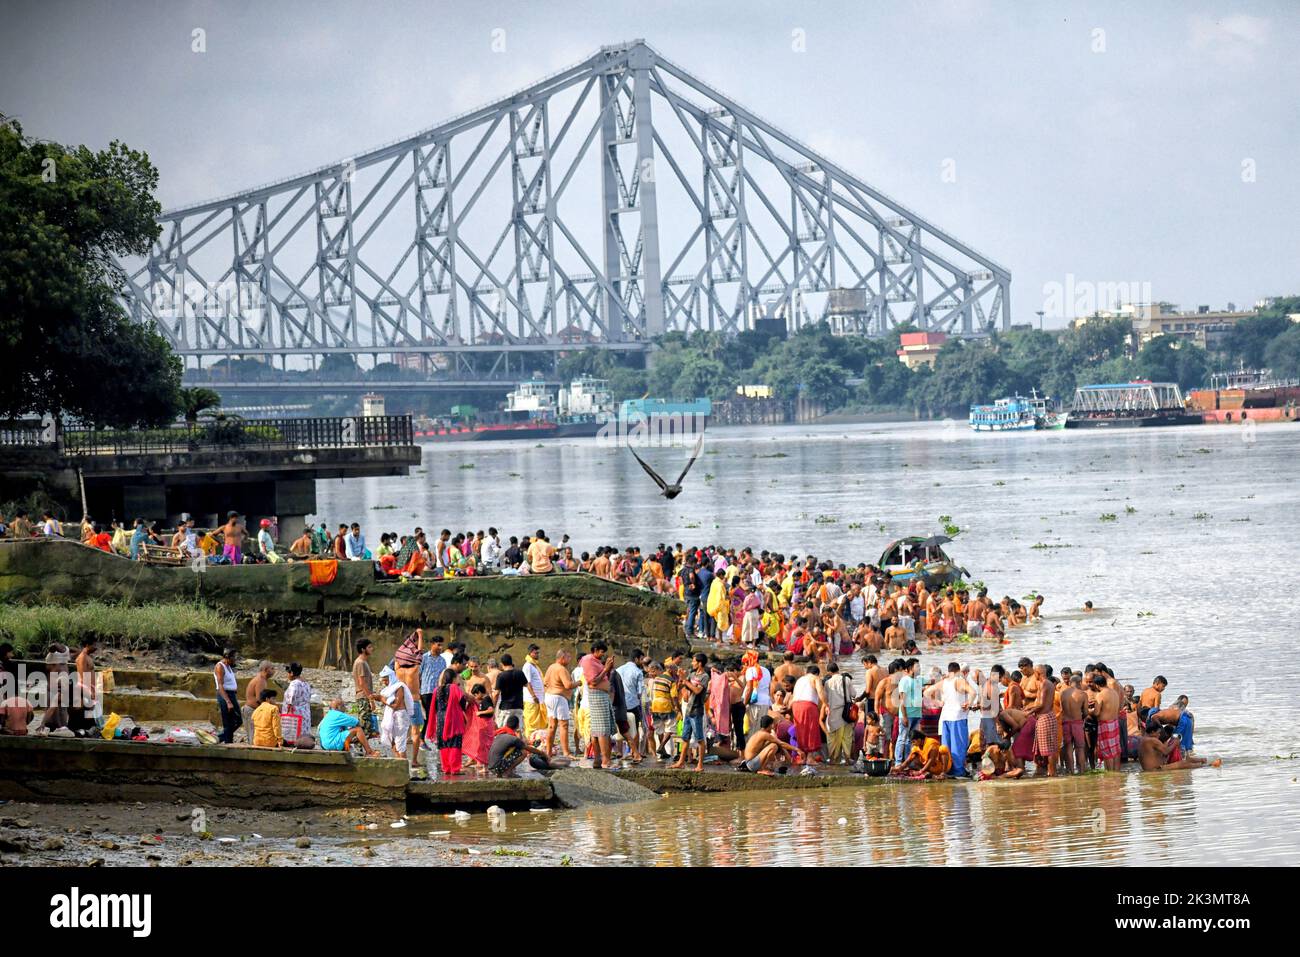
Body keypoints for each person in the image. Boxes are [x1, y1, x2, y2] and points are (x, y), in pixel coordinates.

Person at [428, 664, 471, 775]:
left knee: (444, 743)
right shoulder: (454, 688)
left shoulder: (436, 690)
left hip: (441, 718)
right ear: (453, 678)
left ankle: (446, 768)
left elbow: (434, 706)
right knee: (455, 742)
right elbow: (462, 702)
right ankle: (455, 768)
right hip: (453, 718)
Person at [581, 641, 617, 769]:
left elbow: (602, 677)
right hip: (597, 696)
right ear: (595, 649)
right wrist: (606, 669)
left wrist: (609, 668)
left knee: (597, 730)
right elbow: (594, 681)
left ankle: (598, 760)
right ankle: (606, 760)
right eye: (602, 652)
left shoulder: (594, 661)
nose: (602, 655)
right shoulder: (588, 660)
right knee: (602, 730)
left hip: (601, 696)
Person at [937, 662, 977, 777]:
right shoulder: (960, 681)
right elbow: (973, 692)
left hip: (945, 718)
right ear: (958, 671)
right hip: (957, 717)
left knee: (946, 746)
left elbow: (927, 692)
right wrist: (969, 703)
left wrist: (938, 702)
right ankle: (958, 771)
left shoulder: (944, 682)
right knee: (958, 746)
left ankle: (947, 770)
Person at [672, 653, 710, 772]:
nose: (692, 663)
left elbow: (697, 690)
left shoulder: (705, 676)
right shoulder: (692, 674)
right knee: (685, 737)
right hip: (688, 710)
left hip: (697, 710)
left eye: (694, 661)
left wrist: (685, 680)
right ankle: (681, 762)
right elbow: (684, 686)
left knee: (699, 739)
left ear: (700, 663)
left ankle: (700, 765)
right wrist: (680, 679)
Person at [543, 648, 576, 760]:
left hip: (549, 696)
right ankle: (566, 752)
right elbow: (567, 685)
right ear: (562, 658)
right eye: (568, 657)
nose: (570, 659)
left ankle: (548, 752)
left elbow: (545, 682)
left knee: (552, 726)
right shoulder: (561, 669)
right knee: (564, 725)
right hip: (558, 698)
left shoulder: (550, 667)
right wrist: (578, 683)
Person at [1138, 719, 1208, 772]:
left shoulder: (1143, 739)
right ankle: (1207, 766)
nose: (1159, 735)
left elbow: (1158, 753)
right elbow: (1166, 751)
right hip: (1155, 770)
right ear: (1152, 732)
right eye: (1158, 733)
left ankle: (1202, 763)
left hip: (1150, 769)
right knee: (1183, 764)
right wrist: (1175, 742)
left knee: (1184, 762)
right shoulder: (1152, 740)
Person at [791, 665, 827, 766]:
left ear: (806, 672)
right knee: (811, 730)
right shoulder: (815, 678)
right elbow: (820, 692)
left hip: (796, 706)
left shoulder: (800, 680)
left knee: (801, 730)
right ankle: (810, 758)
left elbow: (793, 696)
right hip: (808, 705)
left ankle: (803, 757)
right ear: (817, 673)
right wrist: (826, 704)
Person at [823, 662, 855, 764]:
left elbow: (825, 698)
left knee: (832, 737)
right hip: (846, 713)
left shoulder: (827, 683)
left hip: (833, 714)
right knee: (847, 737)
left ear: (829, 672)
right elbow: (854, 694)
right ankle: (847, 759)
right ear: (838, 669)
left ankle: (833, 759)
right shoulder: (846, 679)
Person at [379, 671, 414, 760]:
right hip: (393, 716)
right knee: (393, 741)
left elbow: (395, 705)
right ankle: (399, 764)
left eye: (386, 680)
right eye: (383, 681)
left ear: (391, 678)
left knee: (400, 743)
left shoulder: (399, 686)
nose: (385, 683)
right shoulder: (388, 689)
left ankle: (403, 768)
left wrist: (382, 700)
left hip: (400, 716)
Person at [242, 660, 275, 744]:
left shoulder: (262, 679)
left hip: (252, 710)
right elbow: (260, 699)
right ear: (266, 669)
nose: (274, 671)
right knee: (254, 737)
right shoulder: (260, 680)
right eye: (272, 668)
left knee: (254, 736)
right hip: (251, 710)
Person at [214, 648, 241, 744]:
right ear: (227, 657)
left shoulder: (228, 666)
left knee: (238, 720)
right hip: (224, 695)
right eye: (234, 657)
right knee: (228, 721)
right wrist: (228, 701)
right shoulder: (220, 666)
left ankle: (221, 738)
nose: (236, 659)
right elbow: (220, 685)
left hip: (231, 694)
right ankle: (228, 742)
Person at [493, 653, 527, 729]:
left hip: (506, 707)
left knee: (503, 729)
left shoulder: (501, 676)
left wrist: (493, 707)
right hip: (519, 706)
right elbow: (527, 685)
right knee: (518, 730)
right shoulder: (520, 673)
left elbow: (496, 693)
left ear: (502, 664)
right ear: (511, 662)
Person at [282, 662, 312, 743]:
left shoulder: (293, 684)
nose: (287, 675)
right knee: (303, 735)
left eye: (288, 673)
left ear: (291, 673)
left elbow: (290, 700)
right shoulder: (306, 683)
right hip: (305, 713)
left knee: (293, 738)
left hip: (295, 715)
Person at [521, 644, 547, 739]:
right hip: (531, 699)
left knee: (538, 722)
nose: (537, 654)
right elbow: (527, 683)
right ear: (530, 653)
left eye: (537, 653)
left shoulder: (534, 666)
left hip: (538, 699)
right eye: (535, 653)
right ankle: (530, 741)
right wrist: (533, 696)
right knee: (531, 722)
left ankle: (537, 740)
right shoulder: (527, 666)